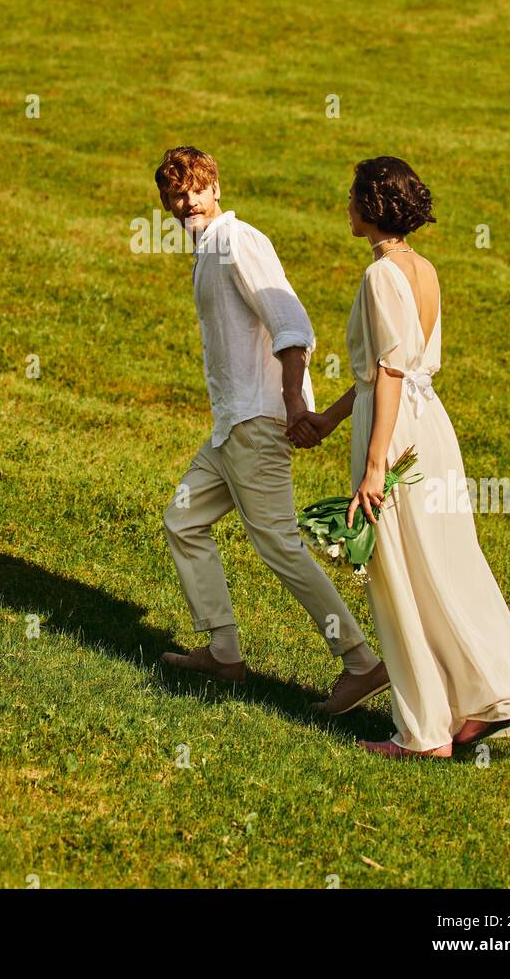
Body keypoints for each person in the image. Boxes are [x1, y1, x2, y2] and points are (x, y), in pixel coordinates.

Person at [288, 156, 510, 757]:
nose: (347, 204)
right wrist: (332, 420)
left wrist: (374, 463)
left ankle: (424, 732)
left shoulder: (379, 277)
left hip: (394, 430)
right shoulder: (424, 269)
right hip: (427, 424)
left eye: (354, 195)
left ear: (372, 206)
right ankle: (483, 697)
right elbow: (396, 367)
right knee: (441, 564)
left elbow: (387, 370)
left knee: (399, 575)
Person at [156, 145, 387, 711]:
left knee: (280, 547)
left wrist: (291, 402)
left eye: (195, 190)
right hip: (229, 427)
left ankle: (360, 662)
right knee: (183, 519)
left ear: (216, 189)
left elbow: (291, 324)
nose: (187, 202)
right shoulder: (208, 251)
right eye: (175, 195)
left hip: (257, 421)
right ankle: (225, 652)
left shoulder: (236, 241)